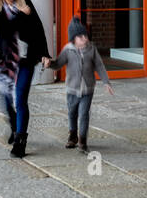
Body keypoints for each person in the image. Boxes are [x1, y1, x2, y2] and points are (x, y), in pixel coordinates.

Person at [0, 0, 48, 158]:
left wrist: (45, 53)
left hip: (25, 60)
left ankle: (20, 141)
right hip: (6, 61)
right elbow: (4, 30)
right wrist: (22, 14)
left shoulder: (27, 4)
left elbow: (38, 30)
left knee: (20, 98)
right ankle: (14, 123)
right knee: (6, 99)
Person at [42, 16, 112, 154]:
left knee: (84, 114)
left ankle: (83, 141)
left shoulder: (91, 49)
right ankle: (73, 136)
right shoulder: (68, 50)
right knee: (72, 113)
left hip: (88, 89)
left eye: (85, 35)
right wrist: (50, 64)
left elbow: (99, 65)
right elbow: (59, 64)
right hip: (72, 89)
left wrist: (106, 81)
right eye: (80, 37)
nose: (84, 39)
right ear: (73, 39)